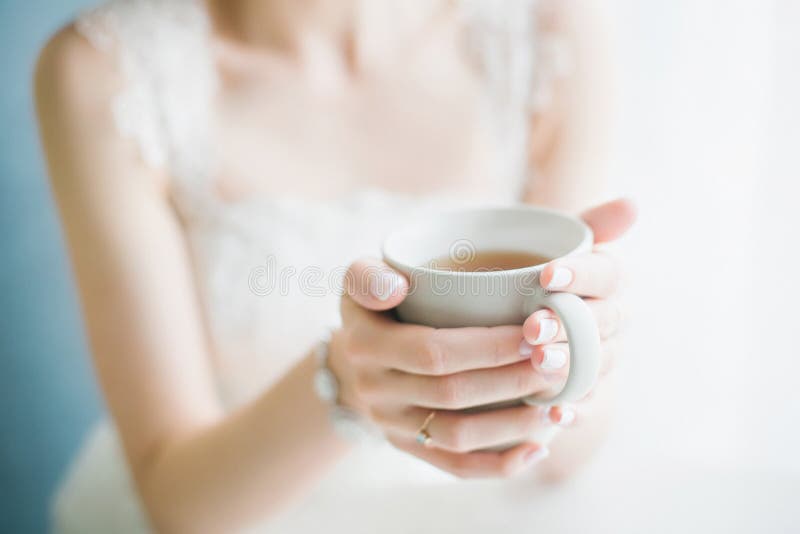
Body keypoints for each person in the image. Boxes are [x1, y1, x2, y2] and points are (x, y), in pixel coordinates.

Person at [35, 0, 636, 532]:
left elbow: (570, 450)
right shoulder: (107, 74)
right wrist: (346, 383)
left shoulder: (549, 28)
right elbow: (177, 507)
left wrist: (566, 366)